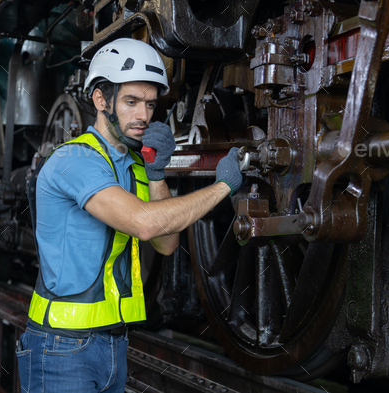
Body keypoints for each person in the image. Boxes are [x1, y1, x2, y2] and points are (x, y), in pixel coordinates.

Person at [16, 38, 244, 393]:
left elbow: (166, 244)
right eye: (131, 102)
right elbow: (145, 222)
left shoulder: (135, 166)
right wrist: (222, 187)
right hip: (62, 347)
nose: (143, 116)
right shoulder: (75, 160)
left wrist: (156, 174)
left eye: (150, 104)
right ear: (101, 100)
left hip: (113, 345)